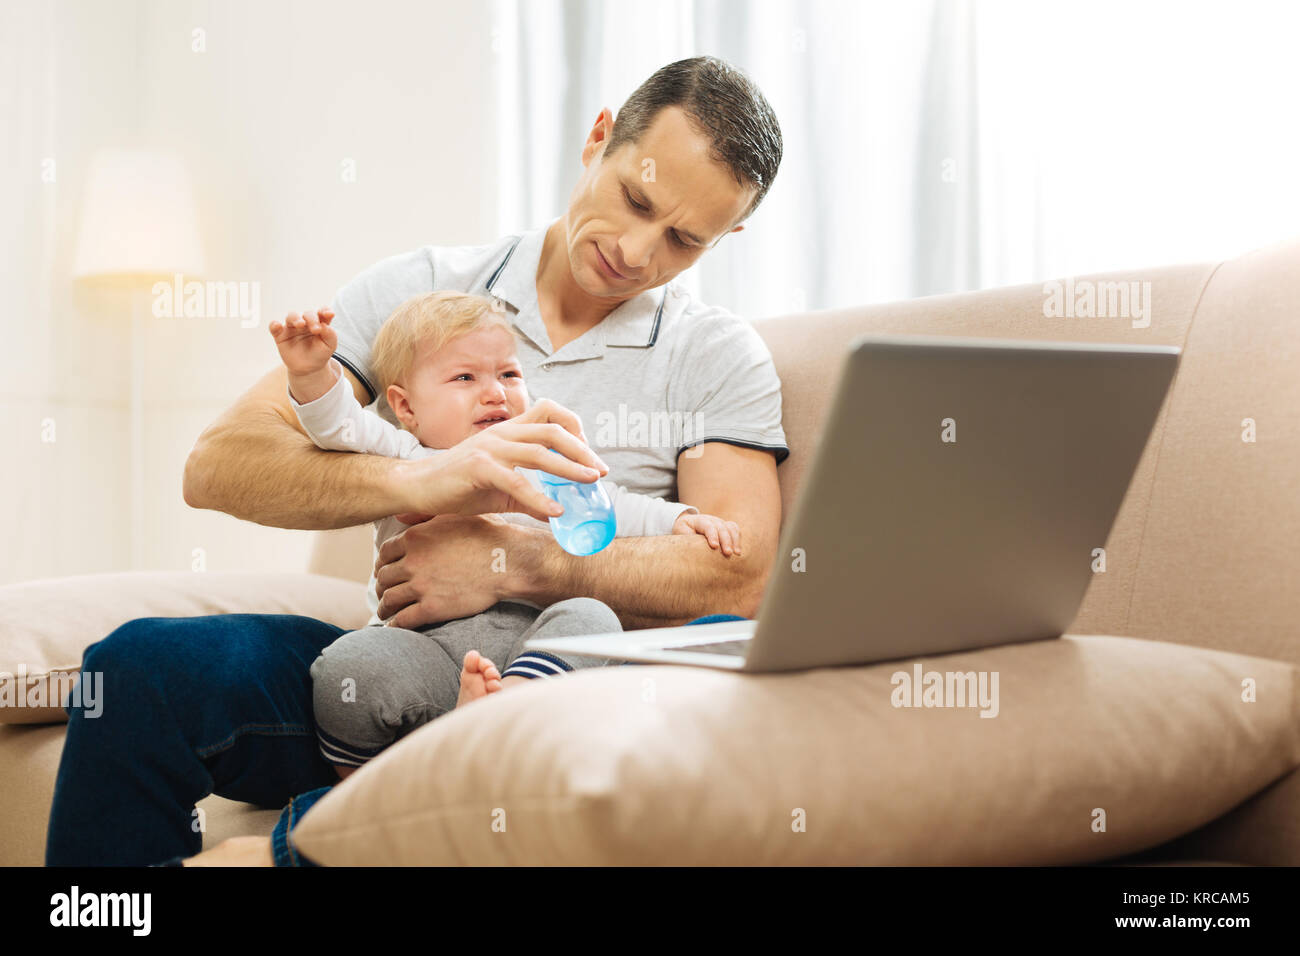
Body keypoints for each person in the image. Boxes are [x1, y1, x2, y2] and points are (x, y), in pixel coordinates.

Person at [46, 54, 788, 867]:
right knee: (136, 671)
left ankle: (292, 846)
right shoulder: (425, 292)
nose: (638, 252)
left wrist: (515, 564)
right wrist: (424, 477)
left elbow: (740, 580)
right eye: (635, 199)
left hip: (569, 687)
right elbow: (220, 464)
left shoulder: (716, 355)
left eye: (685, 239)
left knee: (568, 722)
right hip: (404, 662)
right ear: (599, 137)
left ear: (729, 236)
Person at [273, 287, 742, 776]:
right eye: (464, 377)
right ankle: (376, 788)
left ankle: (502, 716)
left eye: (509, 374)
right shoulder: (404, 457)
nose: (495, 391)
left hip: (528, 650)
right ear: (406, 408)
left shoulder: (542, 464)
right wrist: (310, 375)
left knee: (589, 615)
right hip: (422, 653)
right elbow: (339, 427)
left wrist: (681, 519)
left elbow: (615, 506)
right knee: (348, 664)